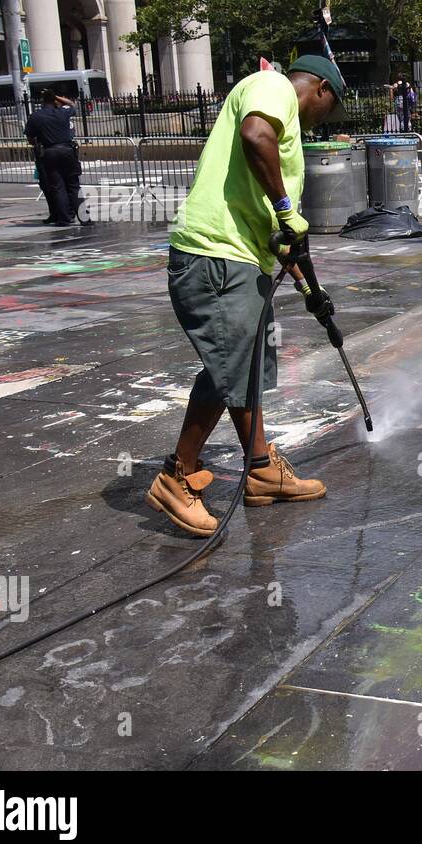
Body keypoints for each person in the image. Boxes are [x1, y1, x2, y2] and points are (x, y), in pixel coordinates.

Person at [146, 55, 347, 538]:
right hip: (215, 255)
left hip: (238, 259)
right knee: (231, 366)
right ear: (319, 88)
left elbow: (279, 237)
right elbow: (255, 135)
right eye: (329, 108)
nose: (323, 121)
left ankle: (260, 470)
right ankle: (176, 476)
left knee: (246, 365)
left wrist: (309, 288)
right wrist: (285, 207)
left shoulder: (284, 132)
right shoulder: (271, 85)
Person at [24, 89, 81, 226]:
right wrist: (55, 96)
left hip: (49, 152)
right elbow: (73, 105)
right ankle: (85, 218)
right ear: (55, 100)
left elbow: (30, 139)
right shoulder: (62, 112)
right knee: (74, 186)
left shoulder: (36, 116)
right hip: (68, 151)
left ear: (42, 101)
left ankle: (65, 219)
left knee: (58, 187)